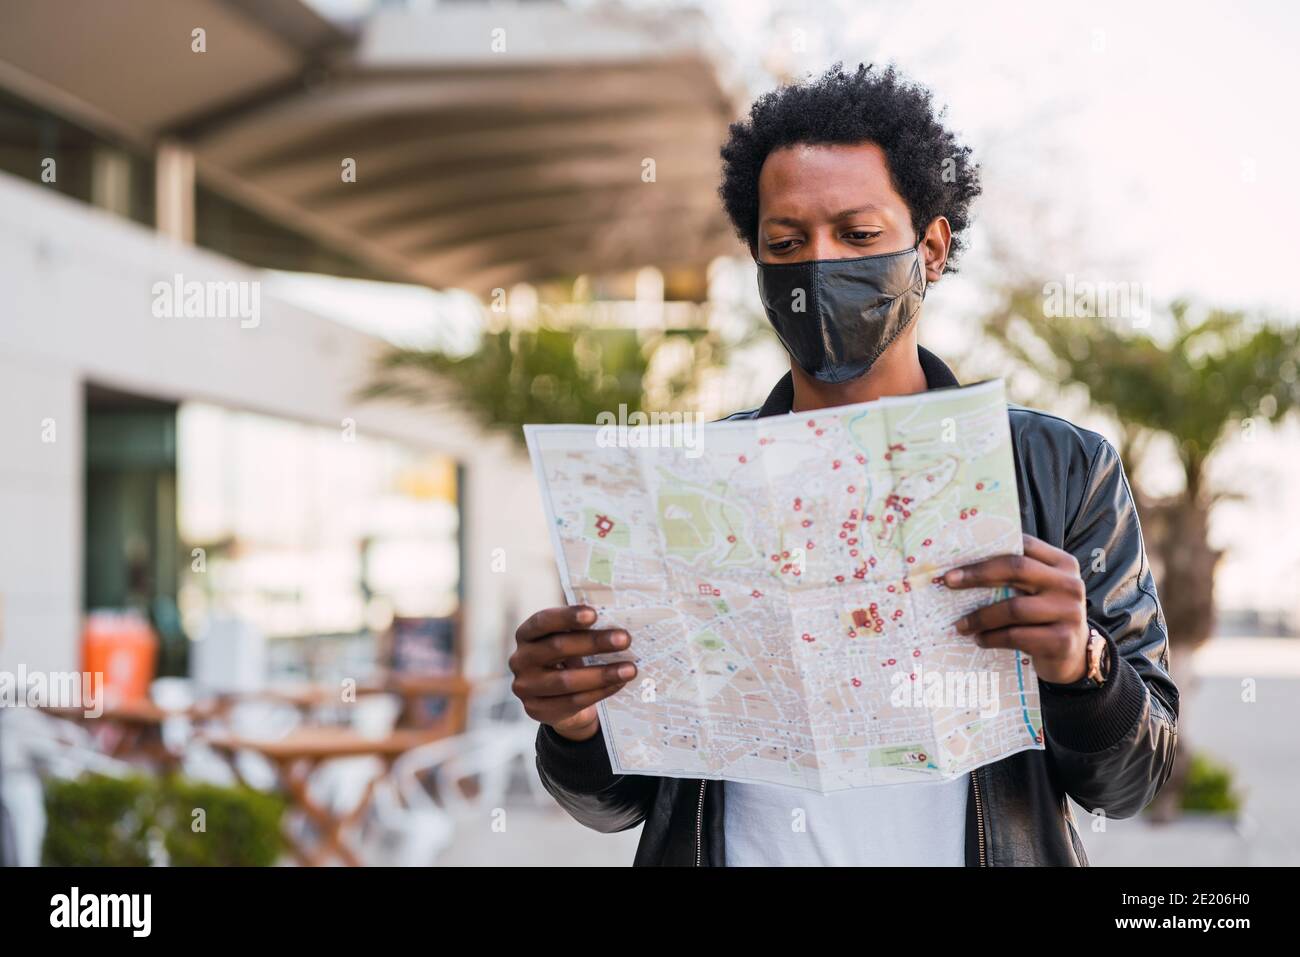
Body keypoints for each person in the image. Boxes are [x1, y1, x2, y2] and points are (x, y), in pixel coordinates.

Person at [508, 63, 1178, 866]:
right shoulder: (686, 484)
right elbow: (618, 802)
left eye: (857, 236)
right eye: (785, 242)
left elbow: (1136, 780)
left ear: (930, 246)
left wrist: (1085, 665)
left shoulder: (1062, 467)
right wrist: (575, 724)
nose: (818, 268)